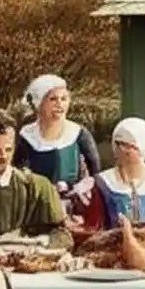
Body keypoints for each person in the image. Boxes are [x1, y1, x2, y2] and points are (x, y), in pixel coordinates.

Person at [0, 110, 72, 249]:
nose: (3, 157)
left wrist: (42, 245)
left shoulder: (36, 186)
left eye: (8, 150)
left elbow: (63, 237)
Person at [13, 74, 101, 209]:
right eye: (53, 99)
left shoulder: (79, 133)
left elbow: (95, 172)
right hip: (37, 205)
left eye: (64, 99)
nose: (59, 104)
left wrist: (83, 187)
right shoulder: (26, 136)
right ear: (39, 103)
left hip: (75, 204)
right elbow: (20, 174)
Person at [80, 117, 145, 229]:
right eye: (118, 144)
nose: (122, 149)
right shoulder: (102, 183)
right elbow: (94, 225)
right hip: (112, 243)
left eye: (129, 146)